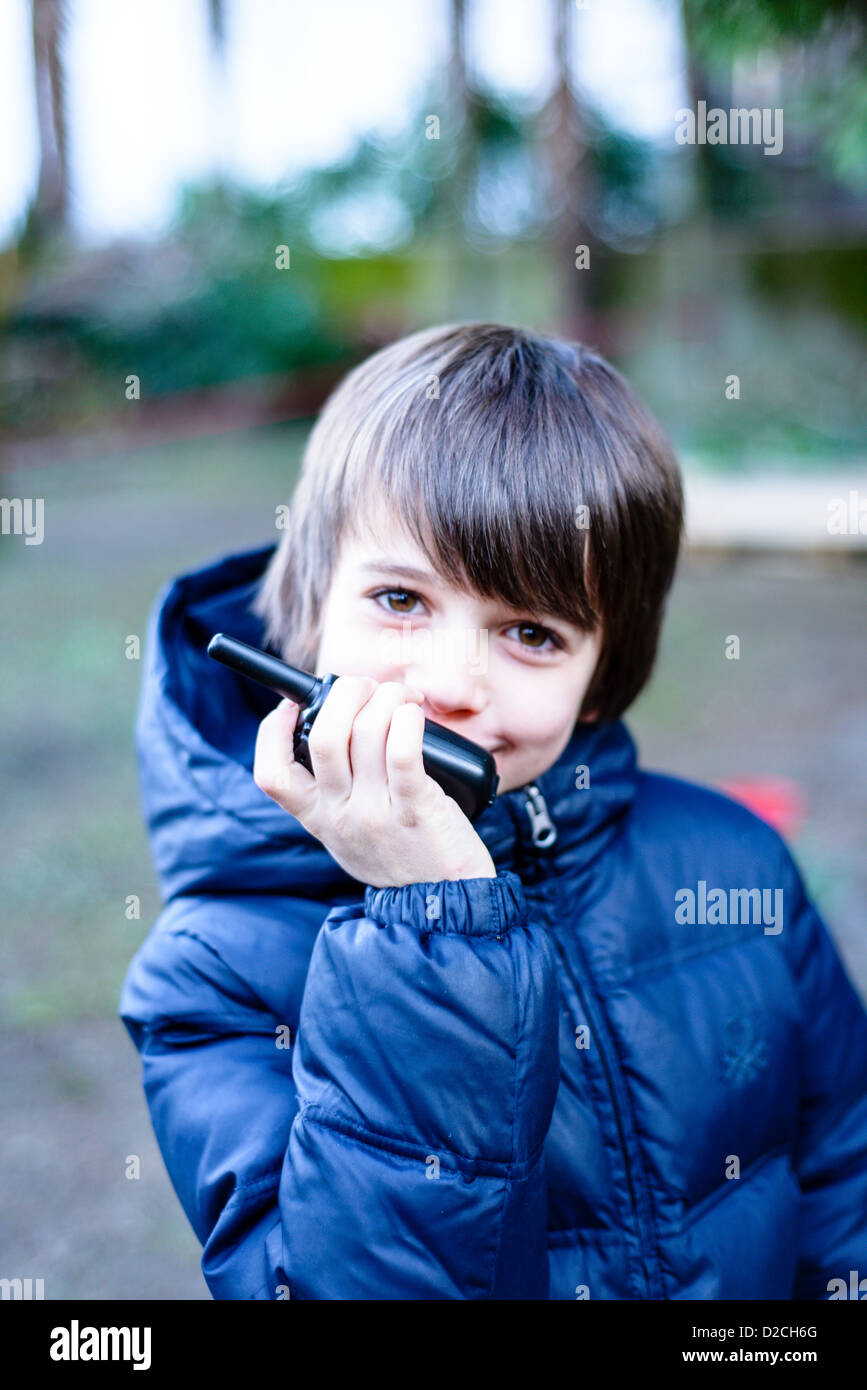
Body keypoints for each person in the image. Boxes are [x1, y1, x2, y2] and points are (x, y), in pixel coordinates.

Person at [119, 322, 867, 1300]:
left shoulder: (736, 863)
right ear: (307, 611)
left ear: (602, 680)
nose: (451, 683)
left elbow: (844, 1186)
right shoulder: (215, 971)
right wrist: (428, 930)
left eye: (530, 632)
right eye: (401, 600)